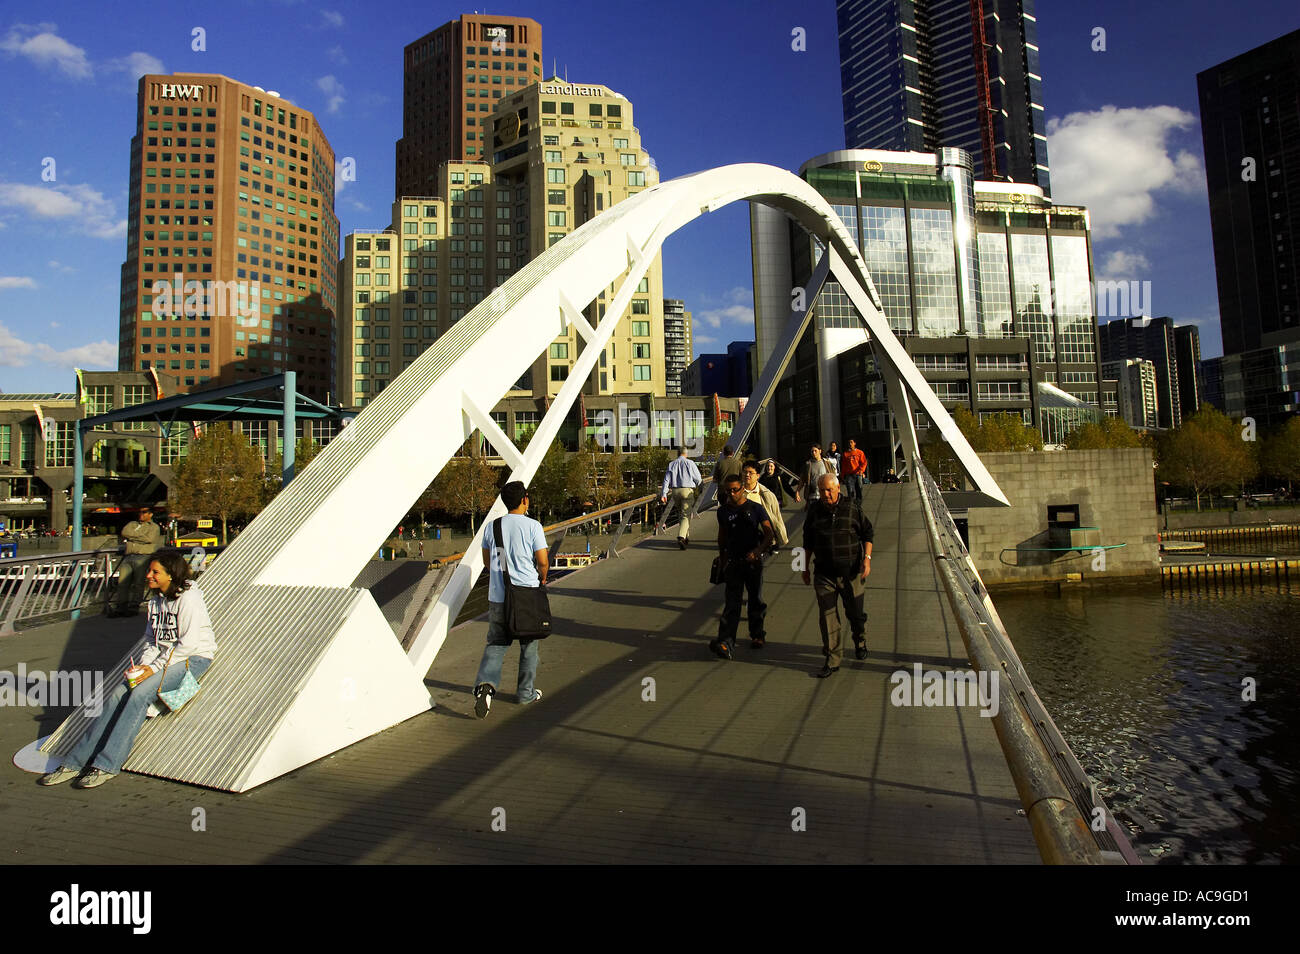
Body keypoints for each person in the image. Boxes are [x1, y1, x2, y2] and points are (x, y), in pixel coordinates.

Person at [40, 548, 218, 789]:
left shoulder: (189, 599)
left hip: (193, 658)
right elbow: (152, 640)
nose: (148, 576)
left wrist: (152, 670)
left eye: (155, 572)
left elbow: (188, 644)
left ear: (170, 574)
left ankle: (106, 765)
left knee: (139, 695)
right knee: (115, 695)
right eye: (149, 571)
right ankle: (75, 762)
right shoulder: (156, 602)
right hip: (165, 659)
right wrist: (144, 666)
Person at [473, 481, 548, 719]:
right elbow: (543, 561)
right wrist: (542, 578)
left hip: (498, 596)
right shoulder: (533, 526)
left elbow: (490, 561)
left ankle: (485, 688)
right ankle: (525, 693)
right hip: (526, 595)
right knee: (529, 647)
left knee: (496, 643)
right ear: (525, 499)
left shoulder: (492, 527)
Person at [801, 474, 874, 678]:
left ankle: (860, 640)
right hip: (824, 574)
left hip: (851, 573)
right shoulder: (814, 511)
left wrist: (866, 559)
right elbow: (806, 541)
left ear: (837, 489)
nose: (825, 494)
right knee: (828, 616)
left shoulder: (852, 507)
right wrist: (803, 568)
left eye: (829, 490)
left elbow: (868, 533)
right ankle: (832, 659)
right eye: (822, 490)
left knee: (855, 614)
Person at [711, 474, 774, 658]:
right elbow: (722, 537)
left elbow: (769, 534)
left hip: (753, 562)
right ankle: (726, 642)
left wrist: (759, 550)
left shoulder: (756, 509)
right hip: (733, 562)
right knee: (732, 603)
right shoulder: (722, 512)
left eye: (735, 489)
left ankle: (757, 635)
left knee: (755, 599)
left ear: (742, 489)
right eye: (728, 490)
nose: (732, 493)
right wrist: (722, 559)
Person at [109, 506, 163, 617]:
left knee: (139, 583)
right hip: (128, 556)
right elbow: (124, 532)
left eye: (144, 512)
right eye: (140, 512)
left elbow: (150, 539)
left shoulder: (154, 527)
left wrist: (132, 538)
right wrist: (140, 537)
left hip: (143, 557)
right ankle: (121, 607)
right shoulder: (132, 524)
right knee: (122, 582)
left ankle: (134, 606)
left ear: (150, 514)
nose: (141, 514)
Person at [660, 446, 703, 549]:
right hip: (687, 490)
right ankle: (681, 537)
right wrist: (701, 488)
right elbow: (698, 478)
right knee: (686, 515)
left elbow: (666, 480)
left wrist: (664, 494)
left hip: (675, 491)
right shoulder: (690, 463)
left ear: (677, 454)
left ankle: (686, 536)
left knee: (681, 513)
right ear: (686, 453)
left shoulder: (671, 464)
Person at [742, 459, 787, 553]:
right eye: (745, 472)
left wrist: (780, 536)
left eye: (750, 473)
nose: (747, 475)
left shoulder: (767, 495)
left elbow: (777, 517)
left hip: (763, 540)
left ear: (757, 476)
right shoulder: (737, 494)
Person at [798, 443, 831, 507]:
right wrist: (797, 491)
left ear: (820, 451)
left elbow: (833, 478)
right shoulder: (808, 465)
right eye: (812, 451)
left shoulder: (826, 463)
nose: (813, 453)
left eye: (815, 451)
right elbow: (802, 479)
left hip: (824, 496)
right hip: (812, 497)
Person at [841, 438, 868, 502]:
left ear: (854, 443)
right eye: (849, 443)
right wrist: (842, 475)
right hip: (849, 475)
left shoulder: (860, 452)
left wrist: (861, 470)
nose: (850, 444)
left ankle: (859, 505)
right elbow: (843, 465)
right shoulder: (845, 454)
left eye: (851, 442)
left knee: (859, 490)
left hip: (858, 474)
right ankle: (852, 506)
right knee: (850, 492)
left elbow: (864, 462)